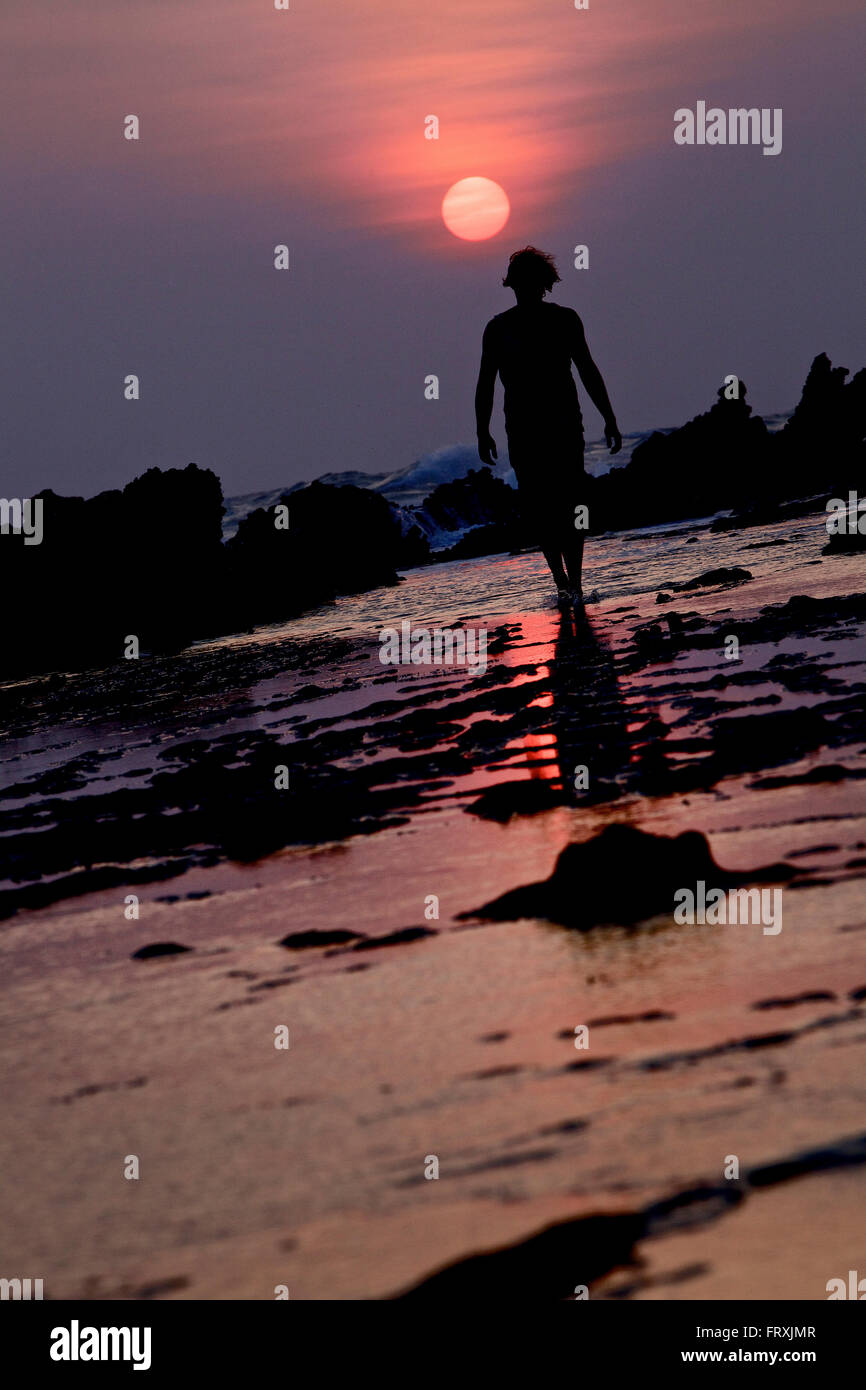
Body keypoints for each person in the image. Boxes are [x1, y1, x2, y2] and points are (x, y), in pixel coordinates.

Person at [474, 246, 622, 606]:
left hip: (559, 426)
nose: (525, 288)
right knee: (548, 506)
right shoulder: (499, 328)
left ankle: (572, 584)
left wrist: (609, 416)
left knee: (562, 505)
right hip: (531, 429)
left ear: (541, 283)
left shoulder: (562, 320)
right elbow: (485, 383)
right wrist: (482, 430)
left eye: (529, 281)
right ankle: (564, 584)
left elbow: (587, 369)